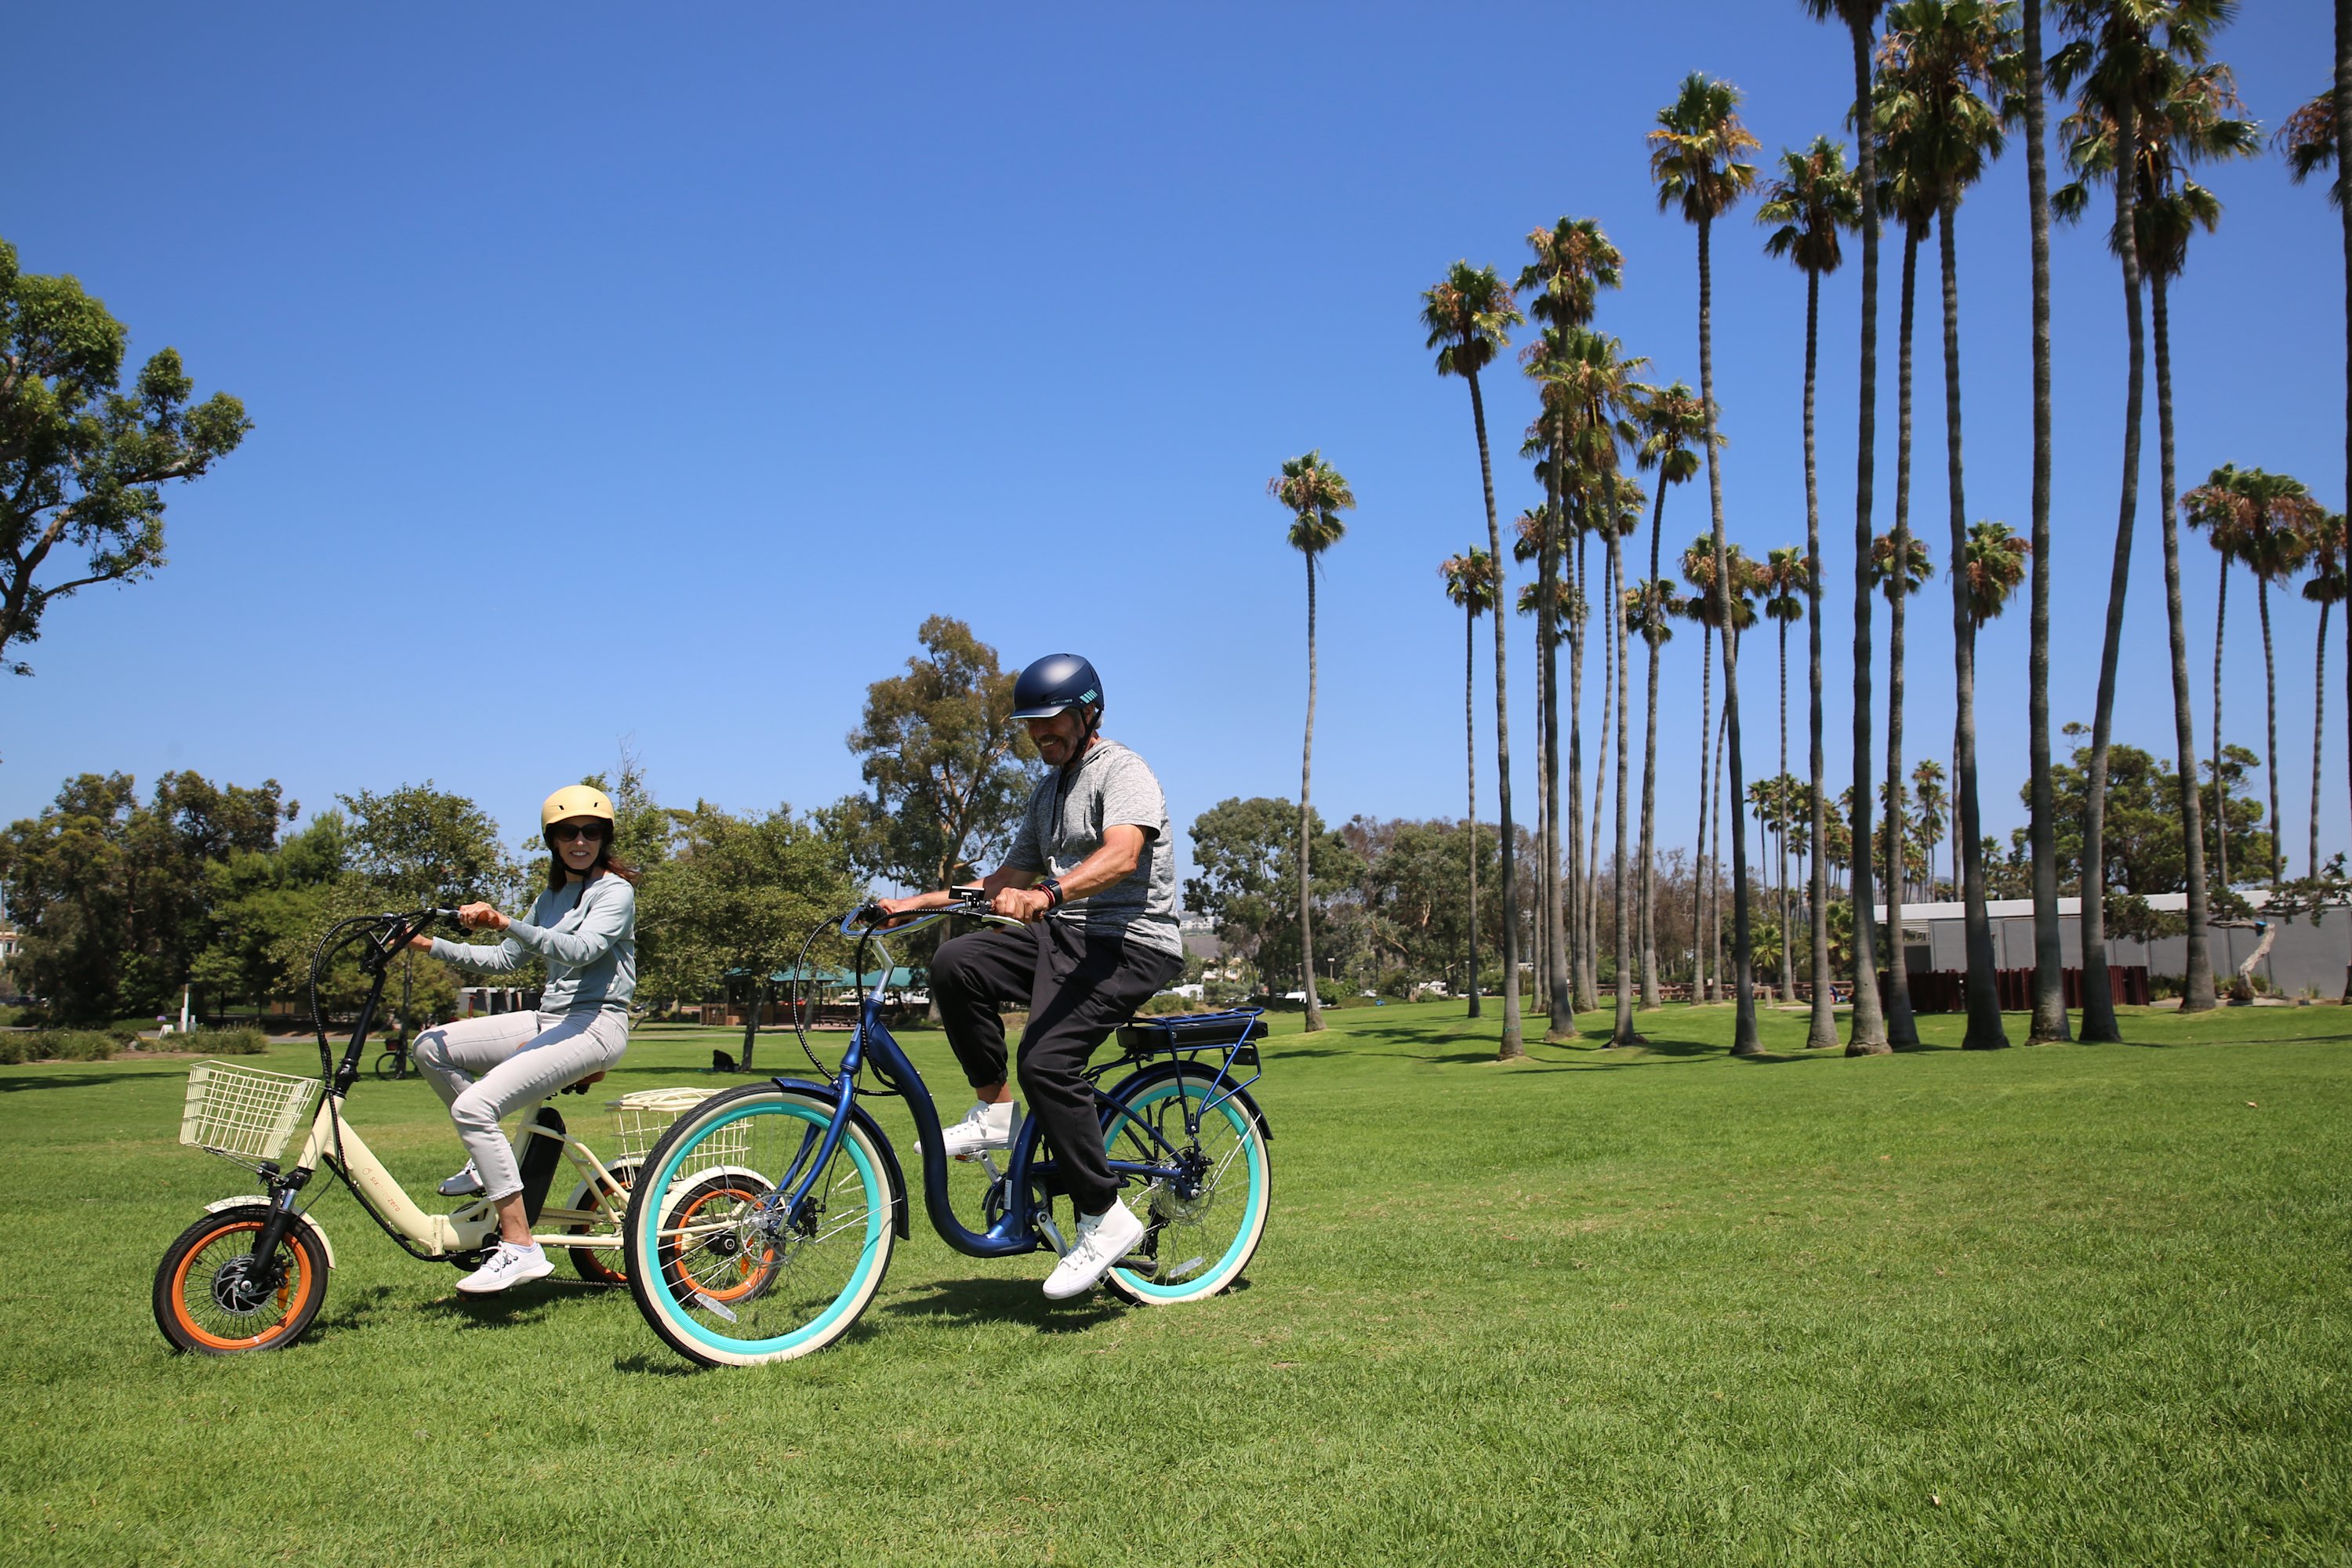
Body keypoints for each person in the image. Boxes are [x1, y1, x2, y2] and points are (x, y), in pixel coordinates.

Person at [874, 654, 1184, 1301]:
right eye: (1032, 726)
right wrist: (911, 906)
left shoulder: (1124, 771)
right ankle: (995, 1109)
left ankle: (1104, 1216)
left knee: (1046, 1060)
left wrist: (1050, 892)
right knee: (956, 964)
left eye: (1053, 722)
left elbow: (1124, 854)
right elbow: (998, 886)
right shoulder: (1046, 793)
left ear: (1087, 712)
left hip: (1132, 943)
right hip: (1065, 936)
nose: (1042, 736)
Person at [408, 786, 638, 1295]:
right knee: (430, 1047)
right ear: (553, 840)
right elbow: (507, 961)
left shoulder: (615, 893)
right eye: (567, 832)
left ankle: (519, 1245)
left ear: (604, 837)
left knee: (474, 1108)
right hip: (548, 1018)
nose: (580, 841)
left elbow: (582, 950)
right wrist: (431, 946)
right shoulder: (550, 898)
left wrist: (505, 921)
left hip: (596, 1024)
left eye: (590, 831)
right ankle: (487, 1163)